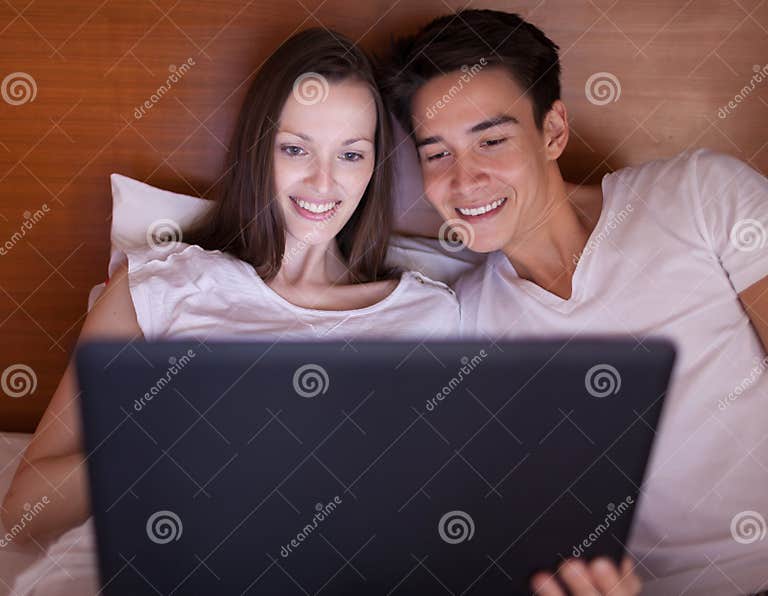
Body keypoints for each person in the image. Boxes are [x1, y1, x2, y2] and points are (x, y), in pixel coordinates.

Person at [2, 28, 462, 595]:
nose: (324, 181)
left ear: (373, 166)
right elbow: (23, 513)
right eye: (295, 148)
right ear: (258, 148)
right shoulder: (159, 289)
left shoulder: (429, 315)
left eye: (350, 154)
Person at [384, 8, 768, 596]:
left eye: (491, 140)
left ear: (553, 132)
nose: (465, 180)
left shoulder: (698, 195)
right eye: (438, 153)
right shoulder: (465, 325)